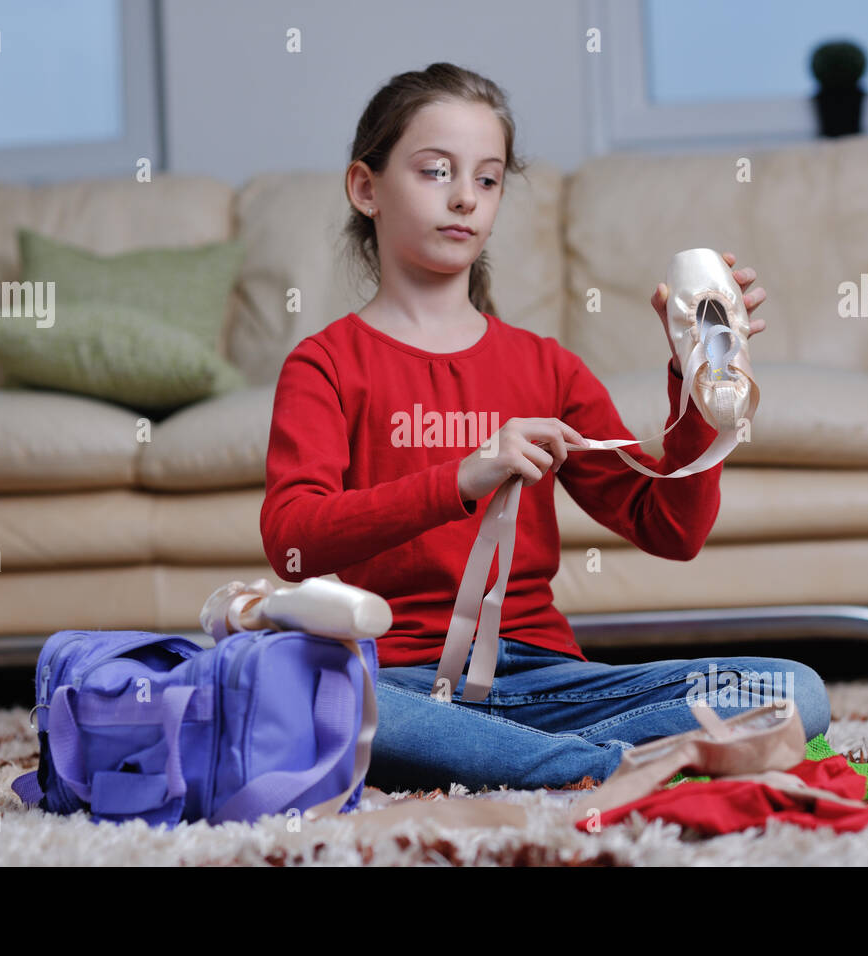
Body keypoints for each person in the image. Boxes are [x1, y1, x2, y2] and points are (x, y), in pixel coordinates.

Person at [260, 62, 830, 793]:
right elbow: (293, 543)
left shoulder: (546, 368)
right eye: (436, 171)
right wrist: (461, 478)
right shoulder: (325, 365)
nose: (466, 196)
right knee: (316, 699)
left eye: (488, 178)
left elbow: (670, 530)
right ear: (366, 188)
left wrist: (696, 389)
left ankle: (521, 757)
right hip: (394, 680)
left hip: (546, 683)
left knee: (793, 690)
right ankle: (610, 766)